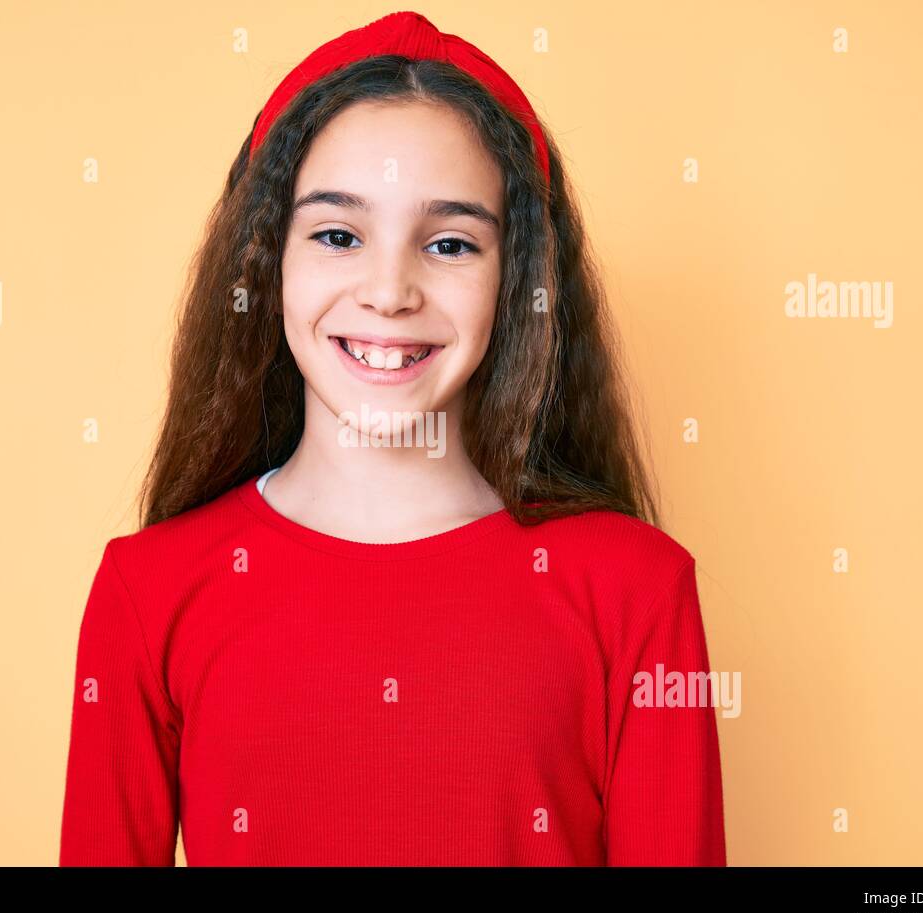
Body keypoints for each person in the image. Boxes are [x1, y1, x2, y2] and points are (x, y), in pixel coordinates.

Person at [59, 10, 726, 866]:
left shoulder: (638, 591)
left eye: (449, 243)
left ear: (516, 280)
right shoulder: (145, 593)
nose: (389, 290)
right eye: (339, 234)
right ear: (268, 263)